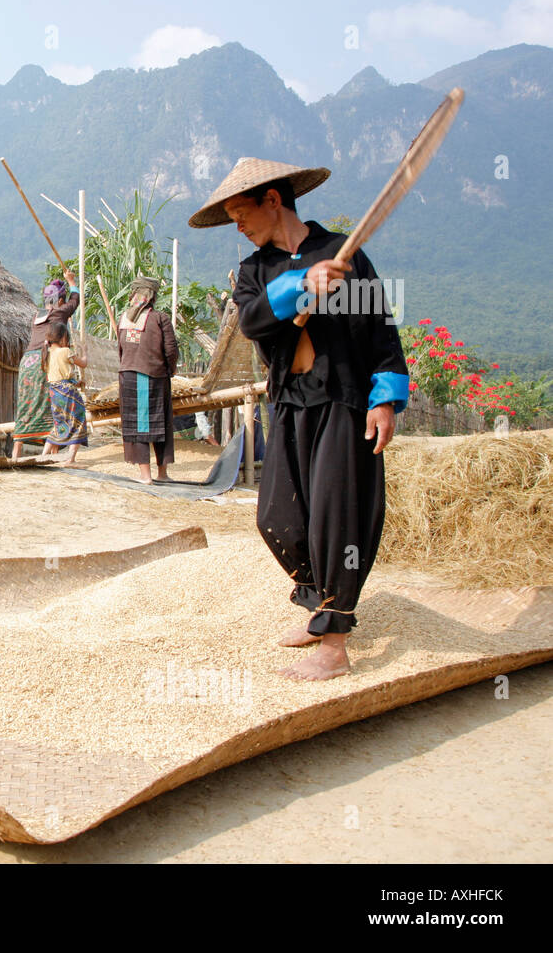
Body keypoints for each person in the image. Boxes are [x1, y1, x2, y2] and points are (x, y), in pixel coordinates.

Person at [189, 157, 409, 681]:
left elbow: (382, 335)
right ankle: (319, 605)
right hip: (290, 403)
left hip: (343, 401)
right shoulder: (255, 271)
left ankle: (334, 643)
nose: (237, 226)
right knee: (278, 518)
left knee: (338, 516)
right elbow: (253, 322)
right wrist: (301, 286)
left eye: (241, 213)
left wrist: (384, 401)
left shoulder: (344, 256)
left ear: (273, 200)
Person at [116, 276, 179, 483]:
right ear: (152, 296)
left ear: (135, 295)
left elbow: (121, 349)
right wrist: (170, 370)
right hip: (153, 376)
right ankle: (159, 474)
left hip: (128, 376)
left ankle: (145, 474)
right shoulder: (160, 318)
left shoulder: (123, 318)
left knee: (138, 425)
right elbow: (170, 349)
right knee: (157, 424)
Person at [12, 270, 78, 460]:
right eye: (62, 300)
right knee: (53, 404)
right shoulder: (61, 311)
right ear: (59, 301)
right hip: (45, 361)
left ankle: (16, 452)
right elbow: (75, 300)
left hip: (28, 362)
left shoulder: (36, 316)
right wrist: (71, 281)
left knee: (27, 405)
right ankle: (53, 453)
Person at [41, 323, 89, 466]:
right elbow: (83, 363)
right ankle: (70, 458)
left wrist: (77, 382)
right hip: (69, 393)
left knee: (60, 423)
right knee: (78, 421)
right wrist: (84, 352)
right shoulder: (66, 351)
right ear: (63, 338)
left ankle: (43, 456)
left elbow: (58, 377)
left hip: (55, 394)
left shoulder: (47, 354)